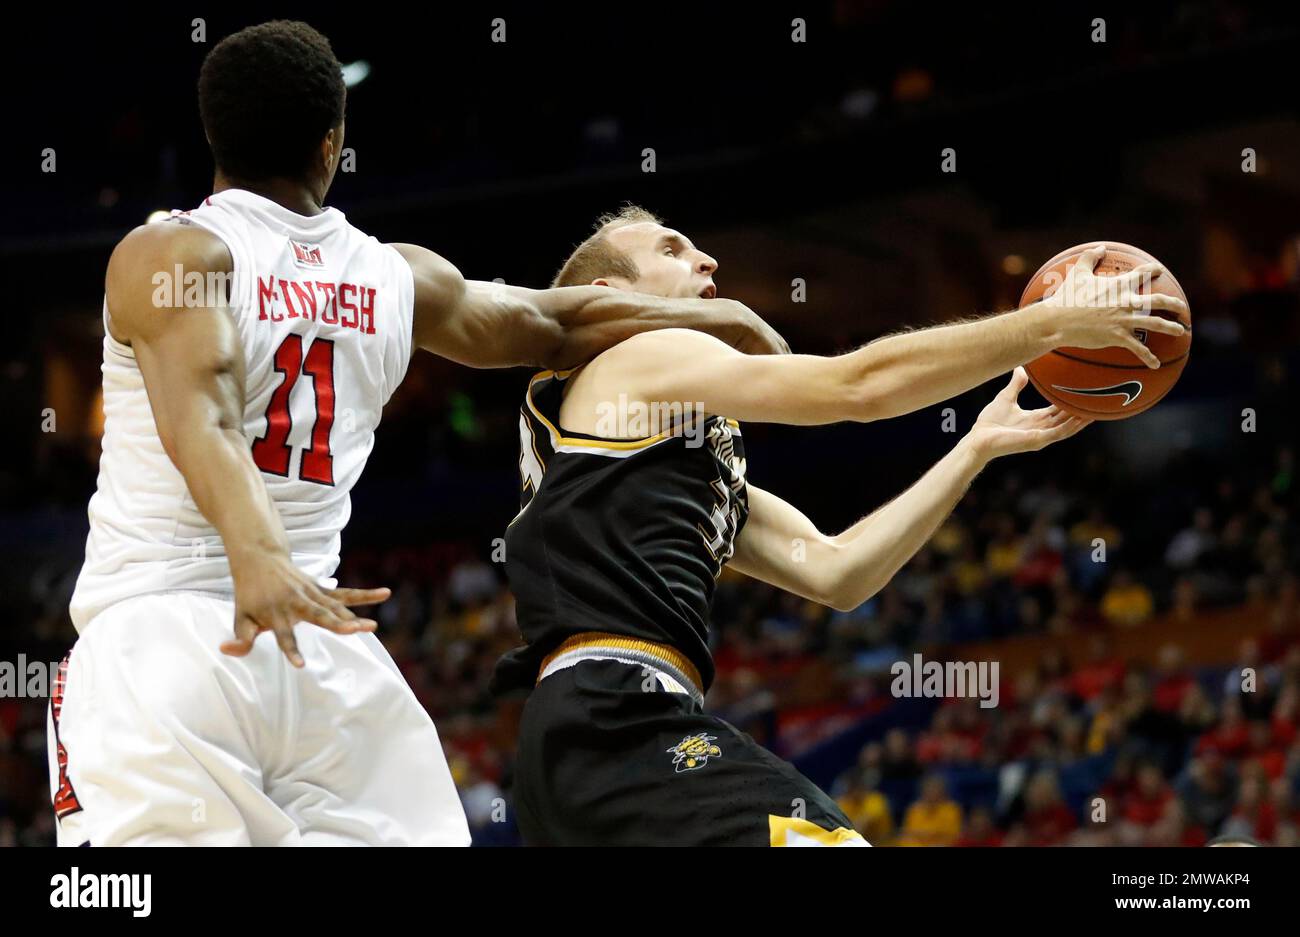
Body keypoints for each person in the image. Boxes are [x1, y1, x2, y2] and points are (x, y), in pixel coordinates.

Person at [49, 23, 784, 847]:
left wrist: (255, 562)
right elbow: (554, 321)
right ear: (333, 144)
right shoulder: (394, 274)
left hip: (167, 638)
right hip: (320, 648)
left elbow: (206, 414)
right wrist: (714, 313)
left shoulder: (169, 251)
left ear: (212, 135)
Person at [494, 206, 1185, 846]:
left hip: (579, 744)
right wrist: (1051, 324)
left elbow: (838, 571)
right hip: (616, 717)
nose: (707, 261)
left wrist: (974, 447)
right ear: (617, 293)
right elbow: (855, 386)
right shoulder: (631, 359)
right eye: (673, 249)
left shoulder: (671, 457)